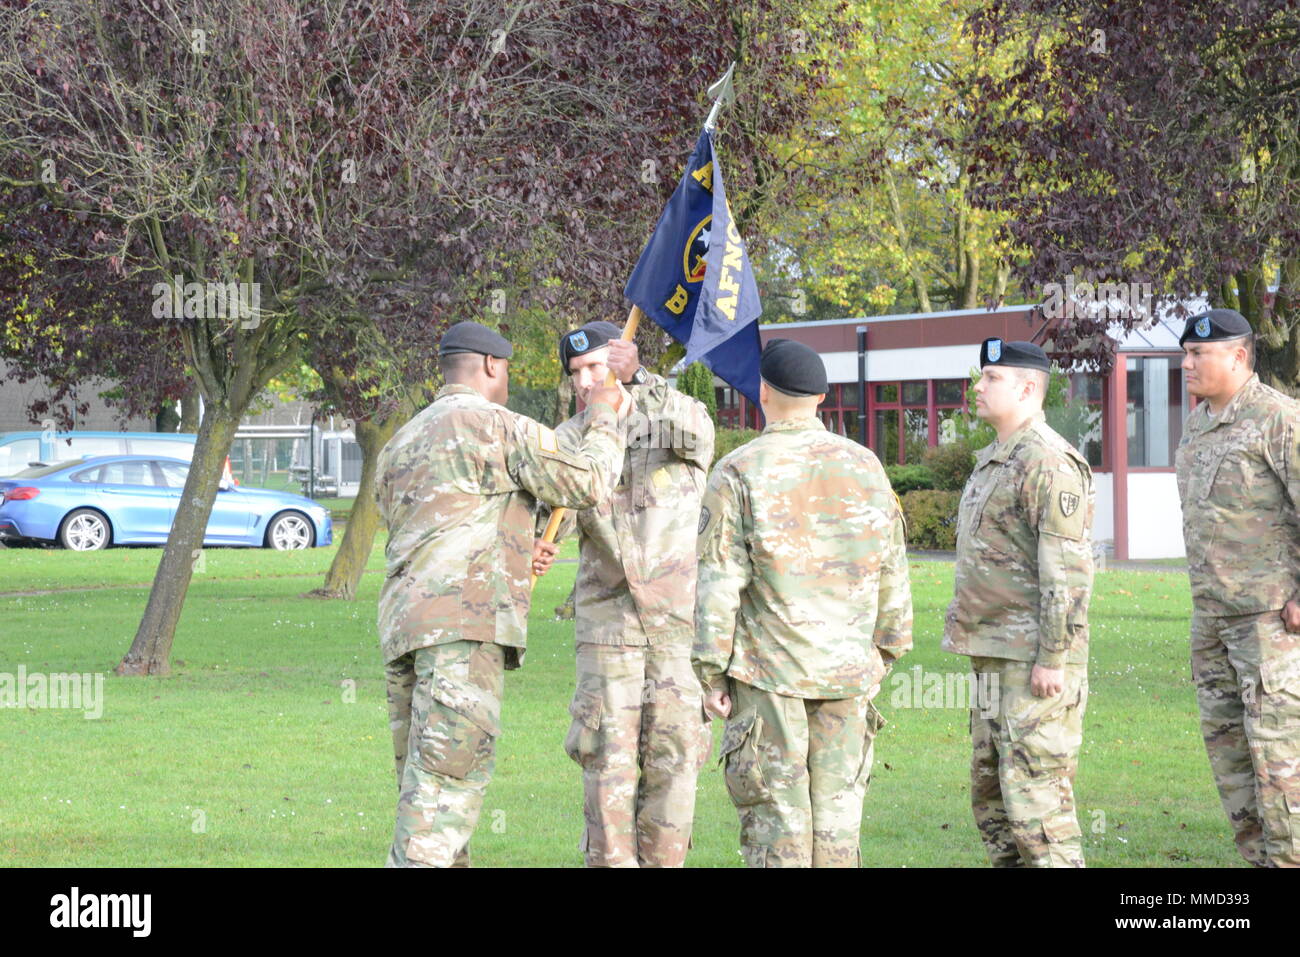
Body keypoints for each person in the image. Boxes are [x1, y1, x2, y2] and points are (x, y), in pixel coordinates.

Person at [376, 320, 625, 868]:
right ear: (492, 366)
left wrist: (517, 549)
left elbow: (445, 521)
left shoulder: (402, 441)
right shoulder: (500, 426)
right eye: (507, 369)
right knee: (442, 802)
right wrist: (605, 413)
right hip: (462, 638)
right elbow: (587, 482)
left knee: (426, 792)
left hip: (406, 633)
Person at [692, 338, 912, 868]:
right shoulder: (866, 467)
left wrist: (710, 675)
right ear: (820, 398)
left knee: (777, 834)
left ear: (763, 392)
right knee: (838, 834)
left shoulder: (738, 471)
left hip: (770, 680)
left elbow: (719, 583)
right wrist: (883, 655)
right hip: (846, 677)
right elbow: (892, 572)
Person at [533, 320, 714, 868]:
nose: (587, 382)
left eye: (595, 367)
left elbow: (702, 438)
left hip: (678, 632)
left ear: (620, 361)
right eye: (577, 373)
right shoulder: (568, 440)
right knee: (607, 771)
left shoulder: (672, 417)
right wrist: (534, 543)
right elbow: (550, 519)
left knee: (674, 771)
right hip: (609, 632)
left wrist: (640, 382)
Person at [941, 338, 1094, 868]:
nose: (978, 387)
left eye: (991, 379)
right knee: (995, 807)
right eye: (981, 377)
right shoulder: (997, 460)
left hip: (1034, 665)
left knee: (1039, 813)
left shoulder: (1047, 462)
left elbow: (1067, 573)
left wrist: (1054, 657)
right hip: (993, 655)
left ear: (1028, 388)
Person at [1175, 307, 1300, 867]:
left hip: (1269, 625)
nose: (1187, 363)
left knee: (1282, 771)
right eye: (1185, 353)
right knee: (1233, 769)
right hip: (1212, 624)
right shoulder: (1198, 424)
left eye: (1198, 353)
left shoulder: (1280, 420)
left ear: (1239, 357)